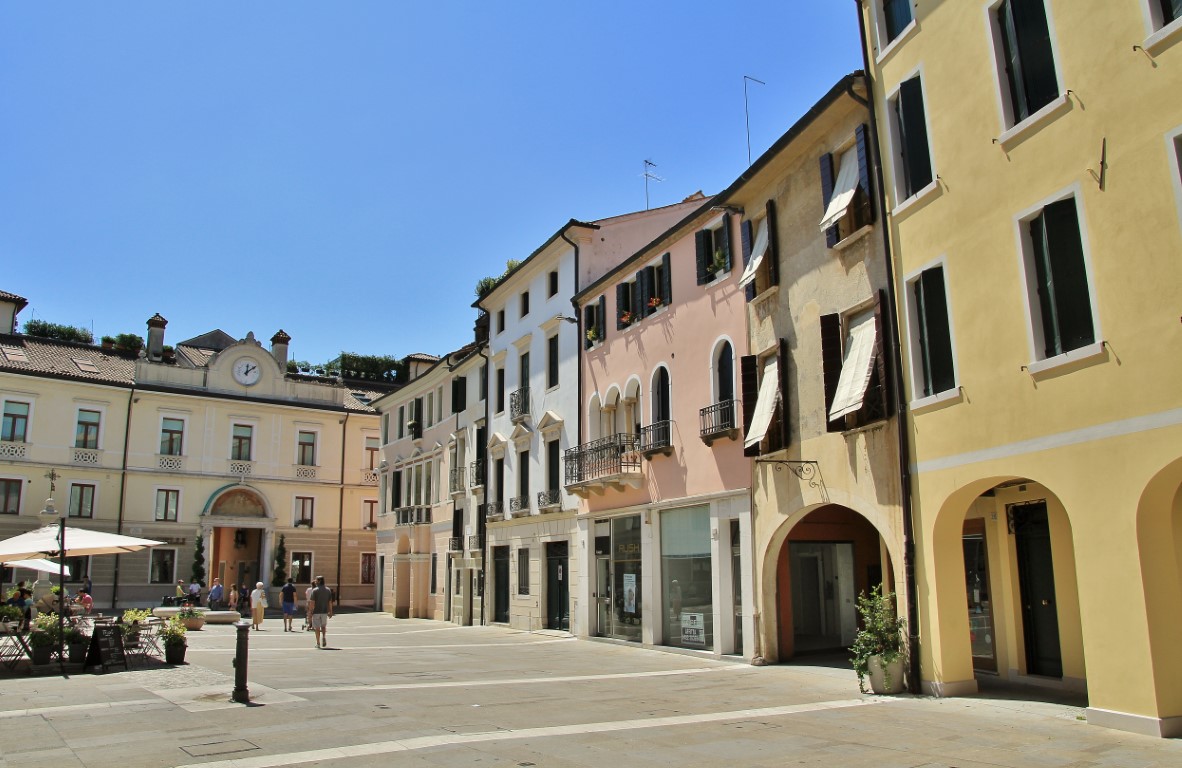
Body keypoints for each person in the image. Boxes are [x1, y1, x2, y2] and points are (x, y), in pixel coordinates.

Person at [309, 576, 333, 648]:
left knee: (317, 627)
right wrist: (330, 611)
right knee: (323, 626)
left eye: (316, 580)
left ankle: (318, 643)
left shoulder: (315, 590)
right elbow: (330, 602)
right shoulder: (328, 590)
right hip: (324, 611)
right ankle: (324, 637)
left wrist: (310, 611)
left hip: (316, 611)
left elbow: (312, 602)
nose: (315, 582)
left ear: (319, 581)